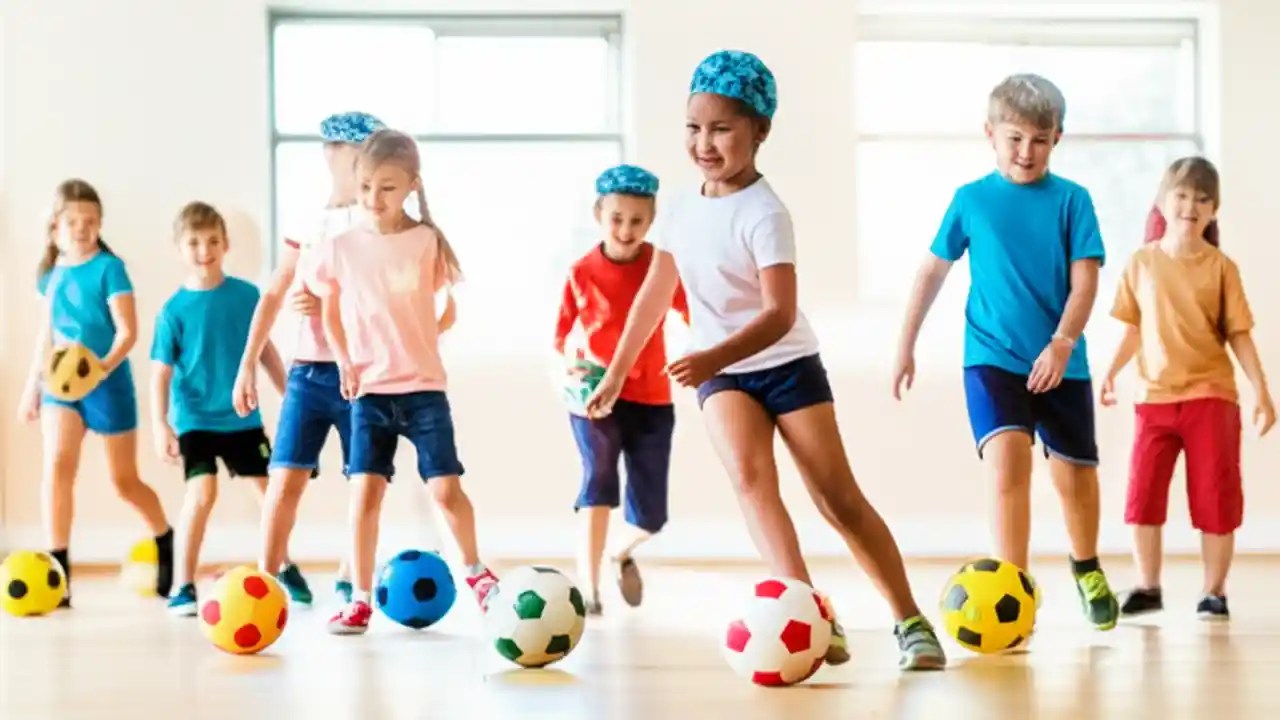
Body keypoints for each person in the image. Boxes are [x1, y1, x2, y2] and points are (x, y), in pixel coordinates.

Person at [585, 50, 946, 670]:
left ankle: (910, 621)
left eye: (722, 128)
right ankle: (812, 614)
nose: (705, 142)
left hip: (785, 363)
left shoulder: (764, 213)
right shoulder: (678, 205)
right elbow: (653, 292)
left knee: (837, 498)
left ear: (760, 131)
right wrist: (616, 372)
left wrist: (709, 355)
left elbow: (780, 313)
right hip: (722, 372)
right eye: (695, 127)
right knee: (751, 482)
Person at [892, 73, 1119, 630]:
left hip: (1062, 360)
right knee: (1007, 467)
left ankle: (1086, 565)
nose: (1026, 151)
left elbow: (1085, 282)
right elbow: (931, 271)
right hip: (991, 357)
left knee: (1074, 476)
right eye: (1014, 137)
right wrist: (905, 344)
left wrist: (1062, 344)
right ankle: (1015, 588)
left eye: (1039, 139)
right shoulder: (971, 201)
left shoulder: (1073, 201)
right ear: (990, 133)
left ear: (1057, 139)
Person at [308, 128, 497, 634]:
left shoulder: (426, 242)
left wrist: (424, 336)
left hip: (424, 389)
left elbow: (446, 306)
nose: (374, 198)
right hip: (369, 392)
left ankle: (477, 573)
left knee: (445, 490)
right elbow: (329, 310)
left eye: (387, 187)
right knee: (364, 496)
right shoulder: (341, 246)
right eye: (367, 186)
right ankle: (360, 598)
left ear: (412, 185)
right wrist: (345, 361)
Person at [1101, 156, 1274, 620]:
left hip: (1211, 397)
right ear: (1162, 202)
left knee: (1216, 496)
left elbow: (1239, 334)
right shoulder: (1141, 263)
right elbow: (1133, 329)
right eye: (1181, 195)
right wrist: (1111, 372)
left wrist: (1262, 392)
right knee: (1142, 495)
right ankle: (1147, 586)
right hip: (1154, 399)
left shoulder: (1222, 268)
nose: (1190, 206)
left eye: (1202, 199)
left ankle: (1214, 591)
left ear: (1214, 210)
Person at [233, 111, 386, 605]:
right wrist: (246, 365)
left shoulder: (378, 223)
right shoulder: (311, 221)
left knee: (364, 482)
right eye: (351, 151)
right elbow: (275, 291)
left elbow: (384, 296)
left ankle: (350, 575)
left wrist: (327, 304)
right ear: (333, 156)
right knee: (284, 479)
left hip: (366, 373)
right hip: (309, 370)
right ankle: (265, 577)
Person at [16, 178, 174, 607]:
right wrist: (33, 387)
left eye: (89, 221)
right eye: (71, 221)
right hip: (60, 386)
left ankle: (165, 539)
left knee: (123, 481)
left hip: (107, 383)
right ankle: (59, 572)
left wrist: (98, 368)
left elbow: (128, 332)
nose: (81, 228)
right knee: (57, 466)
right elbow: (45, 336)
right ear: (55, 228)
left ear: (99, 224)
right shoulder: (49, 277)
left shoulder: (109, 269)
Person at [555, 164, 689, 615]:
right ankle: (589, 590)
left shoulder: (662, 267)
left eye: (637, 220)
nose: (626, 230)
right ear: (599, 214)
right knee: (598, 481)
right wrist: (574, 369)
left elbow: (697, 316)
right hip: (596, 398)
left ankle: (621, 551)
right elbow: (561, 338)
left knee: (651, 516)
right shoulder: (581, 272)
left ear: (650, 220)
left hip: (652, 397)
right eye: (617, 219)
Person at [151, 202, 290, 616]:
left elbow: (267, 354)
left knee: (272, 495)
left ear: (225, 244)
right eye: (193, 242)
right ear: (179, 248)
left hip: (242, 417)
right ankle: (182, 585)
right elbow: (160, 374)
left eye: (212, 241)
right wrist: (160, 424)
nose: (203, 250)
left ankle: (284, 568)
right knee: (201, 493)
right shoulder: (172, 311)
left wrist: (290, 396)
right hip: (194, 420)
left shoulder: (247, 296)